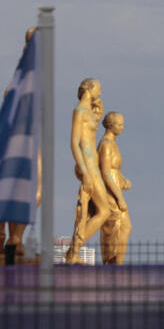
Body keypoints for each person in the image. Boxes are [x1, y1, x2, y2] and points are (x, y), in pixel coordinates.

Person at [0, 27, 41, 259]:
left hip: (33, 139)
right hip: (20, 140)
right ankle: (13, 239)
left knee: (35, 190)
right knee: (24, 189)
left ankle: (14, 237)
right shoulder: (24, 75)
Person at [65, 79, 113, 264]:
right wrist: (85, 171)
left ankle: (74, 251)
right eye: (98, 89)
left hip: (92, 166)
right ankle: (73, 251)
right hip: (88, 166)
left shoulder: (87, 112)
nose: (99, 93)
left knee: (95, 211)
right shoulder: (79, 111)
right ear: (90, 89)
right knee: (104, 210)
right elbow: (75, 142)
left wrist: (98, 115)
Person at [98, 112, 132, 265]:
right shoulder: (105, 144)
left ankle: (118, 262)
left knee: (124, 226)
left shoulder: (113, 144)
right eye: (119, 124)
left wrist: (123, 180)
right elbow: (105, 172)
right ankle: (111, 261)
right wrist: (119, 197)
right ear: (111, 126)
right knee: (114, 225)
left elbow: (113, 170)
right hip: (109, 191)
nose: (122, 128)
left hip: (116, 185)